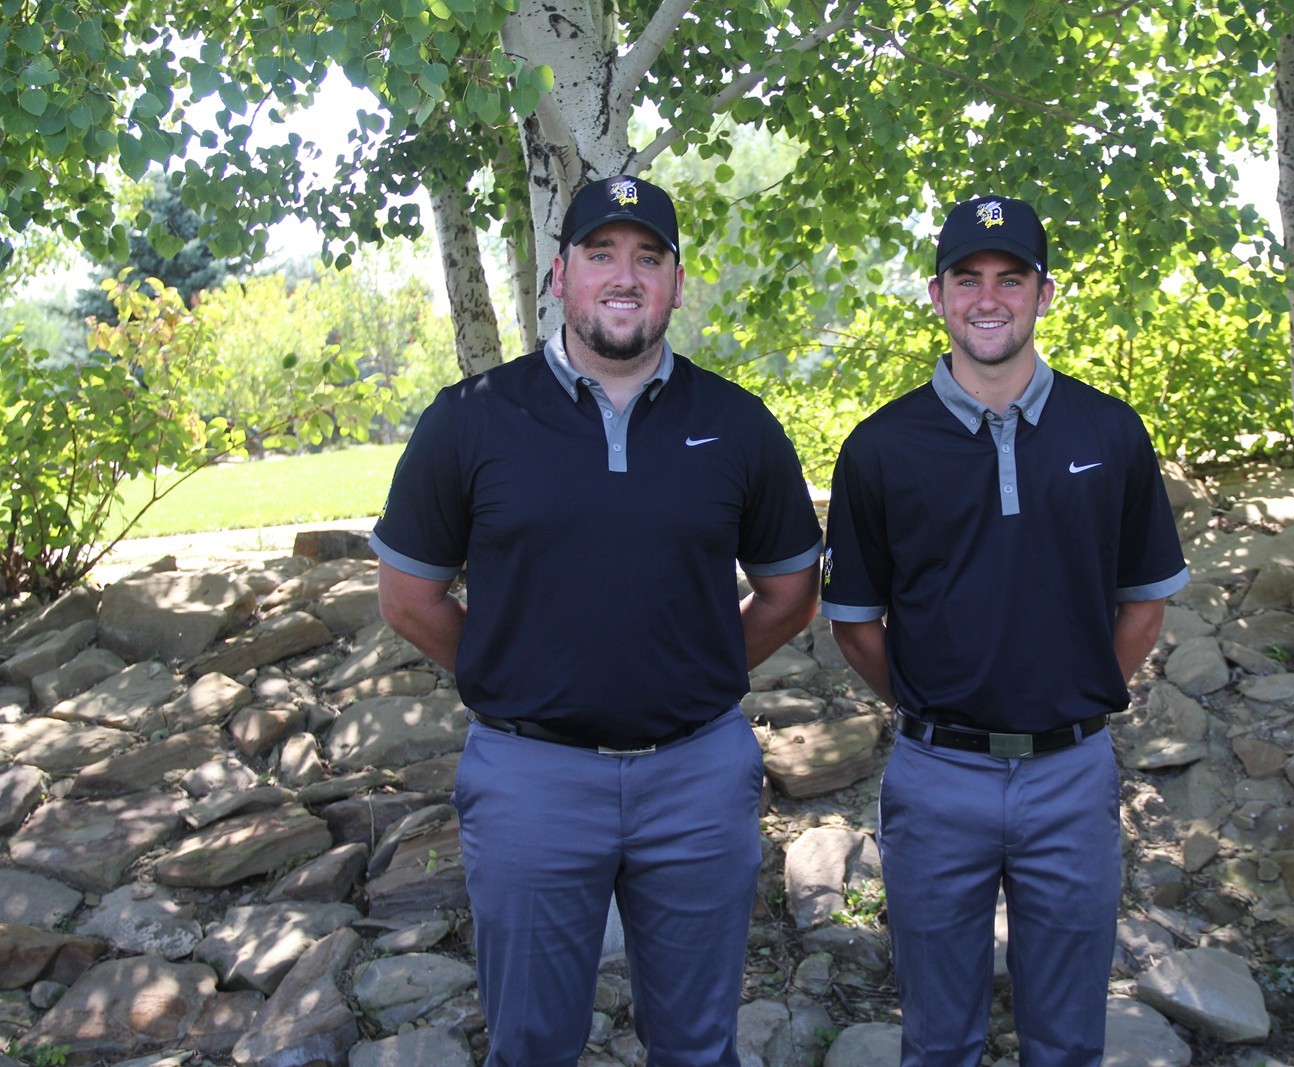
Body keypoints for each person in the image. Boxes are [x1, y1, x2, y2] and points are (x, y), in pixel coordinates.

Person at [371, 174, 822, 1067]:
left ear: (677, 282)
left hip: (696, 778)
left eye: (648, 258)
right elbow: (408, 598)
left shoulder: (737, 424)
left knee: (697, 1045)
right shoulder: (471, 420)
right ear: (557, 274)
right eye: (602, 254)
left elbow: (789, 591)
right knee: (533, 1044)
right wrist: (513, 673)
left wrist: (695, 671)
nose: (626, 276)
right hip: (531, 779)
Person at [820, 194, 1189, 1066]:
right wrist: (931, 704)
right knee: (938, 1038)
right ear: (939, 296)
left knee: (1066, 1041)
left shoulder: (1110, 431)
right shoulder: (881, 446)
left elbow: (1144, 603)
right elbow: (857, 625)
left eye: (1010, 278)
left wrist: (1075, 691)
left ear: (1044, 294)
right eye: (968, 279)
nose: (989, 298)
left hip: (1072, 775)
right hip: (936, 776)